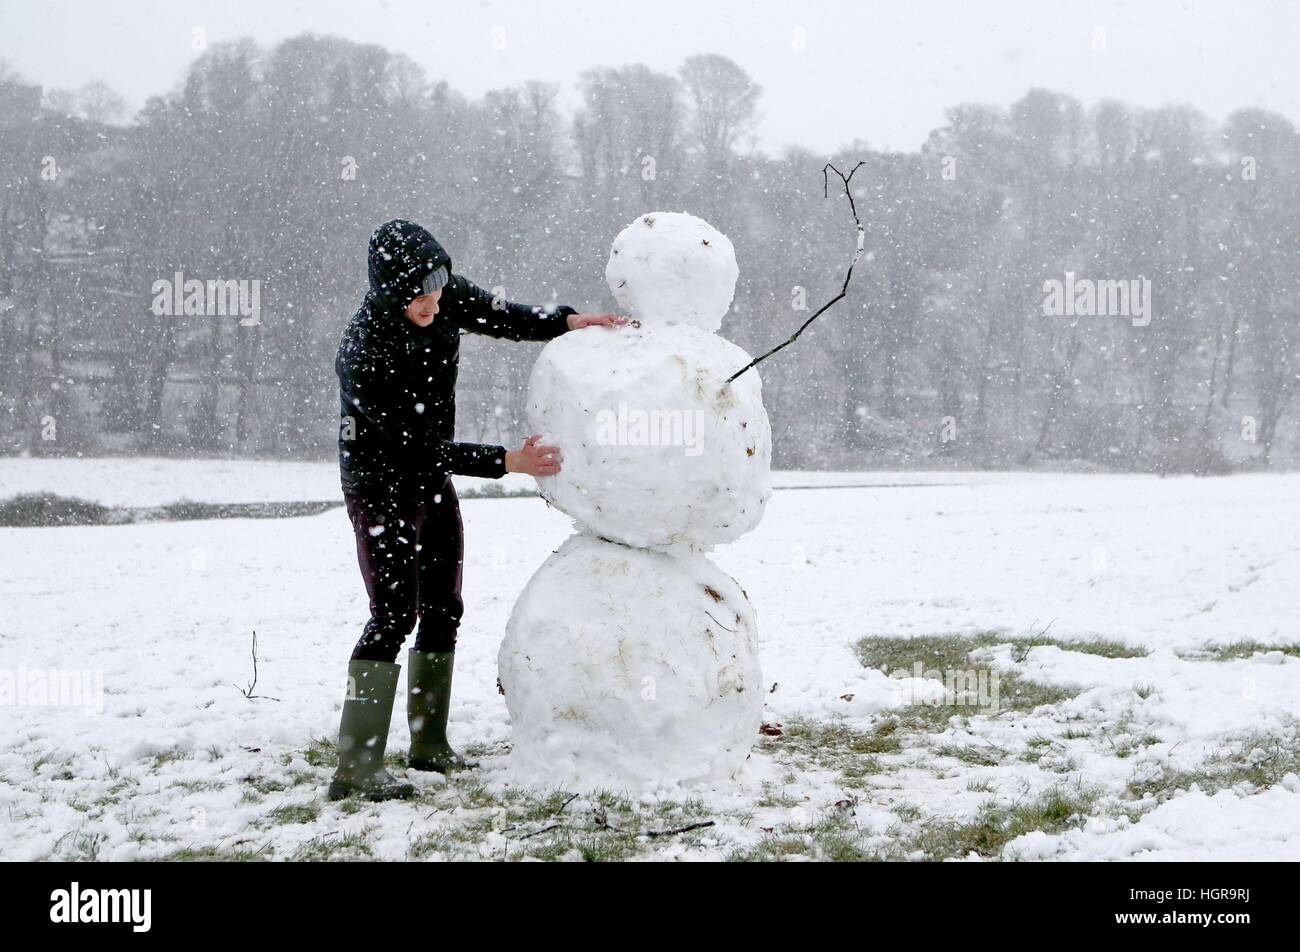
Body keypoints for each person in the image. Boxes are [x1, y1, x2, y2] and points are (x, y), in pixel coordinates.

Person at [328, 218, 623, 801]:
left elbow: (504, 314)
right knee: (393, 613)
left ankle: (428, 744)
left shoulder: (441, 294)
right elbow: (411, 444)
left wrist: (566, 321)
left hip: (430, 478)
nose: (434, 300)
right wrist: (506, 461)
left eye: (438, 285)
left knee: (443, 607)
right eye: (419, 293)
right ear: (390, 291)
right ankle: (355, 769)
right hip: (381, 482)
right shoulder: (365, 350)